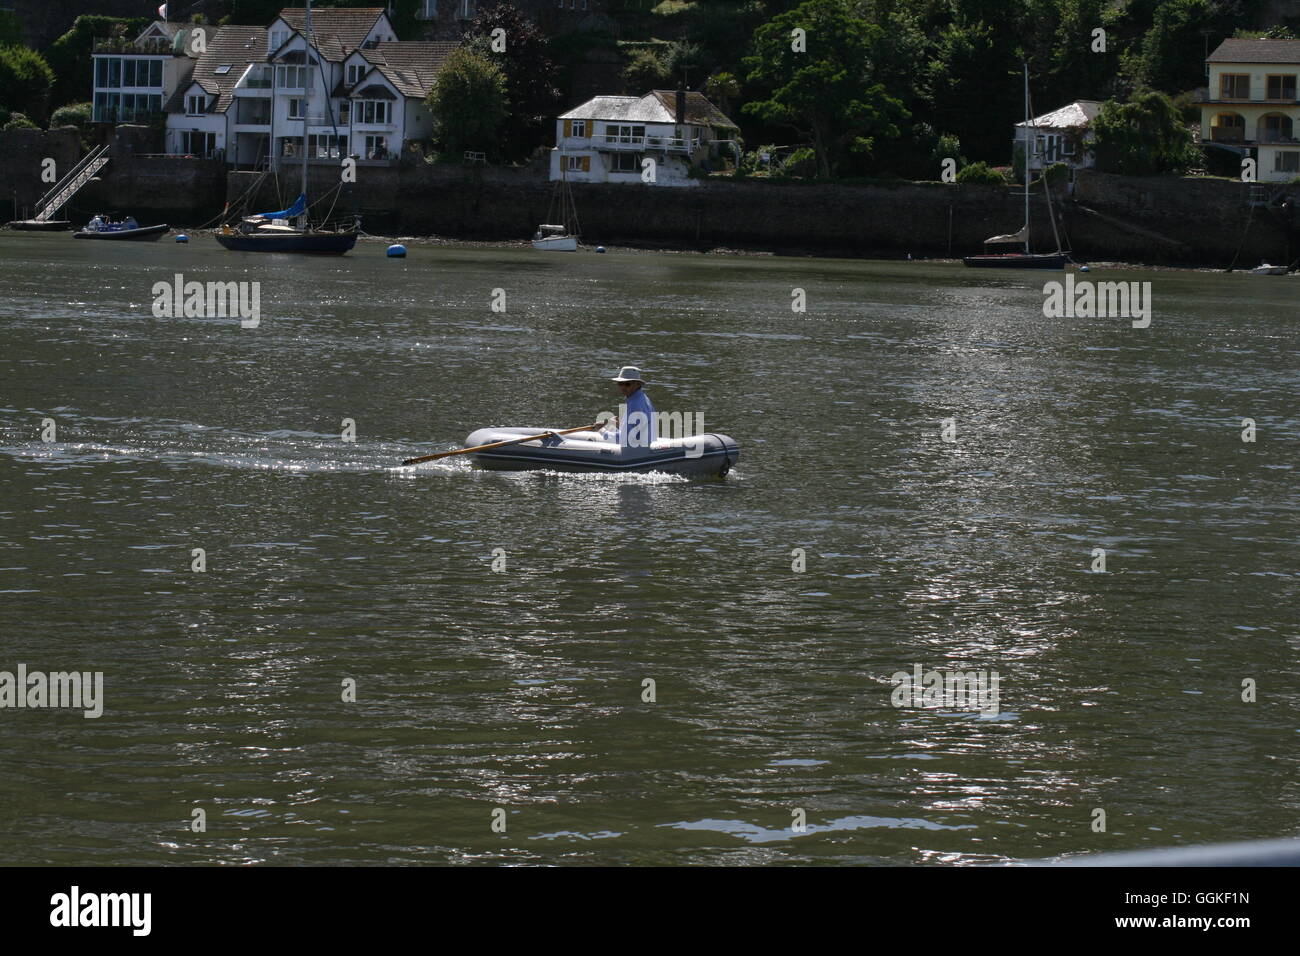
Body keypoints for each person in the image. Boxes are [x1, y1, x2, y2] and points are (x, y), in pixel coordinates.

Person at [600, 366, 657, 450]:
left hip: (637, 451)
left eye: (627, 384)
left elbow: (624, 440)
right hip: (647, 447)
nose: (623, 387)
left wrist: (601, 430)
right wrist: (620, 425)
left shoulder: (635, 404)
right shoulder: (642, 398)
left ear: (637, 384)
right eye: (620, 384)